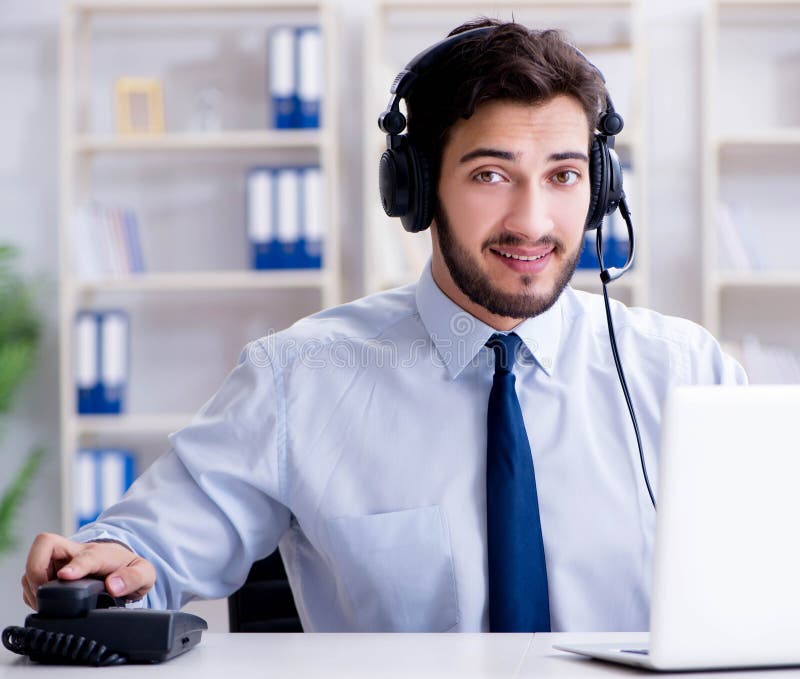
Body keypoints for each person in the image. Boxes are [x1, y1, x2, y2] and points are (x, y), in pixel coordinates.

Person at [22, 19, 745, 633]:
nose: (531, 220)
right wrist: (104, 565)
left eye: (562, 176)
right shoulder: (297, 379)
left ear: (599, 189)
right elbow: (147, 548)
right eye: (491, 175)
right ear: (415, 186)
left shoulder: (684, 372)